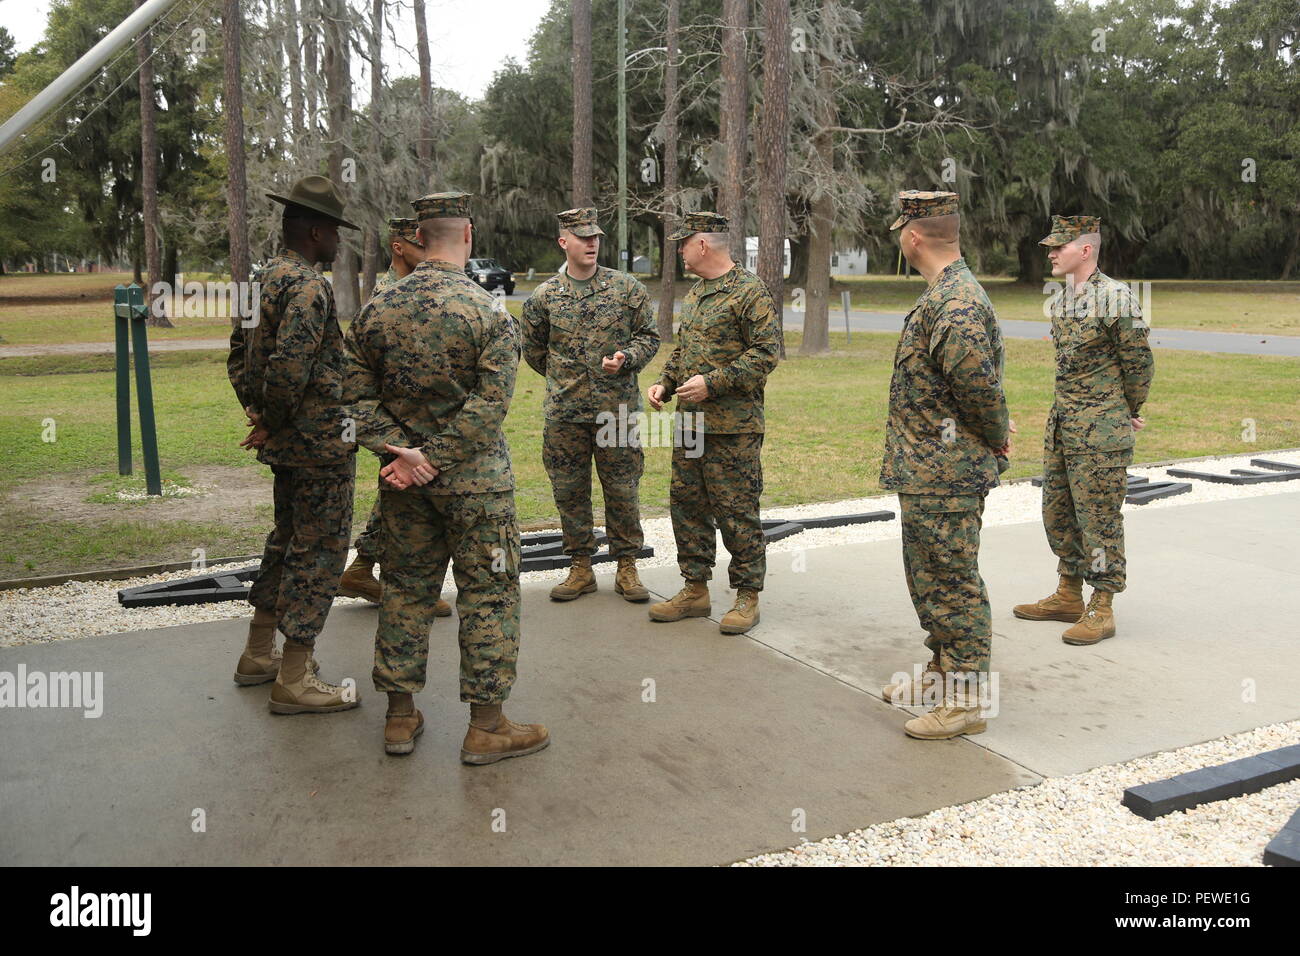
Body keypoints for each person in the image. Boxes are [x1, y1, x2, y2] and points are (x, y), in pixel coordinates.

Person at [343, 191, 548, 762]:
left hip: (406, 486)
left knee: (406, 591)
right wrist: (435, 456)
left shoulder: (376, 310)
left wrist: (404, 455)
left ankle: (400, 719)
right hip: (477, 483)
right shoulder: (489, 312)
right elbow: (490, 406)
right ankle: (486, 728)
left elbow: (352, 400)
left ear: (418, 237)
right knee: (488, 594)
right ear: (468, 235)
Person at [878, 190, 1009, 740]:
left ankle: (968, 700)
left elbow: (978, 389)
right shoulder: (943, 295)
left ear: (913, 237)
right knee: (929, 578)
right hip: (927, 470)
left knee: (952, 583)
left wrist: (998, 437)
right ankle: (943, 671)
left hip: (948, 473)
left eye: (898, 234)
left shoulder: (954, 304)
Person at [227, 174, 360, 715]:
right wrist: (274, 420)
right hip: (318, 445)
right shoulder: (307, 286)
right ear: (313, 231)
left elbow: (238, 354)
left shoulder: (262, 279)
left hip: (289, 445)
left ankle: (259, 653)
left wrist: (258, 414)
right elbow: (291, 367)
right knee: (320, 550)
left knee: (286, 540)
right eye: (333, 232)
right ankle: (295, 676)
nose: (337, 243)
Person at [1012, 215, 1154, 644]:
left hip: (1100, 430)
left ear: (1085, 250)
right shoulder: (1061, 300)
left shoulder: (1115, 298)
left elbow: (1139, 363)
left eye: (1059, 247)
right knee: (1058, 513)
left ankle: (1103, 605)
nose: (1051, 254)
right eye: (1050, 248)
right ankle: (1068, 594)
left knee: (1099, 519)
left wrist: (1126, 408)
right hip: (1064, 427)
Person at [646, 211, 781, 635]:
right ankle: (695, 589)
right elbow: (685, 349)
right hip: (690, 427)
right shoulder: (698, 293)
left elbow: (765, 355)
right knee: (688, 508)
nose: (680, 252)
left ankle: (747, 594)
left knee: (736, 511)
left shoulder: (749, 293)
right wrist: (665, 383)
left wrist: (713, 384)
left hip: (732, 428)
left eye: (683, 244)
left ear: (702, 245)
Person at [522, 207, 660, 603]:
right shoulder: (544, 296)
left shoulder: (626, 288)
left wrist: (627, 358)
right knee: (569, 489)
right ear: (563, 241)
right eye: (583, 237)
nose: (592, 243)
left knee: (622, 488)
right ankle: (580, 566)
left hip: (615, 411)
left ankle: (627, 566)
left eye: (596, 236)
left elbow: (649, 337)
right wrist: (566, 380)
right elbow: (534, 351)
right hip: (565, 414)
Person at [338, 217, 452, 619]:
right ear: (400, 247)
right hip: (396, 423)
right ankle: (401, 585)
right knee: (406, 497)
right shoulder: (387, 295)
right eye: (420, 246)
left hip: (410, 422)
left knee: (396, 494)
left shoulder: (416, 288)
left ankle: (365, 569)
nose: (430, 254)